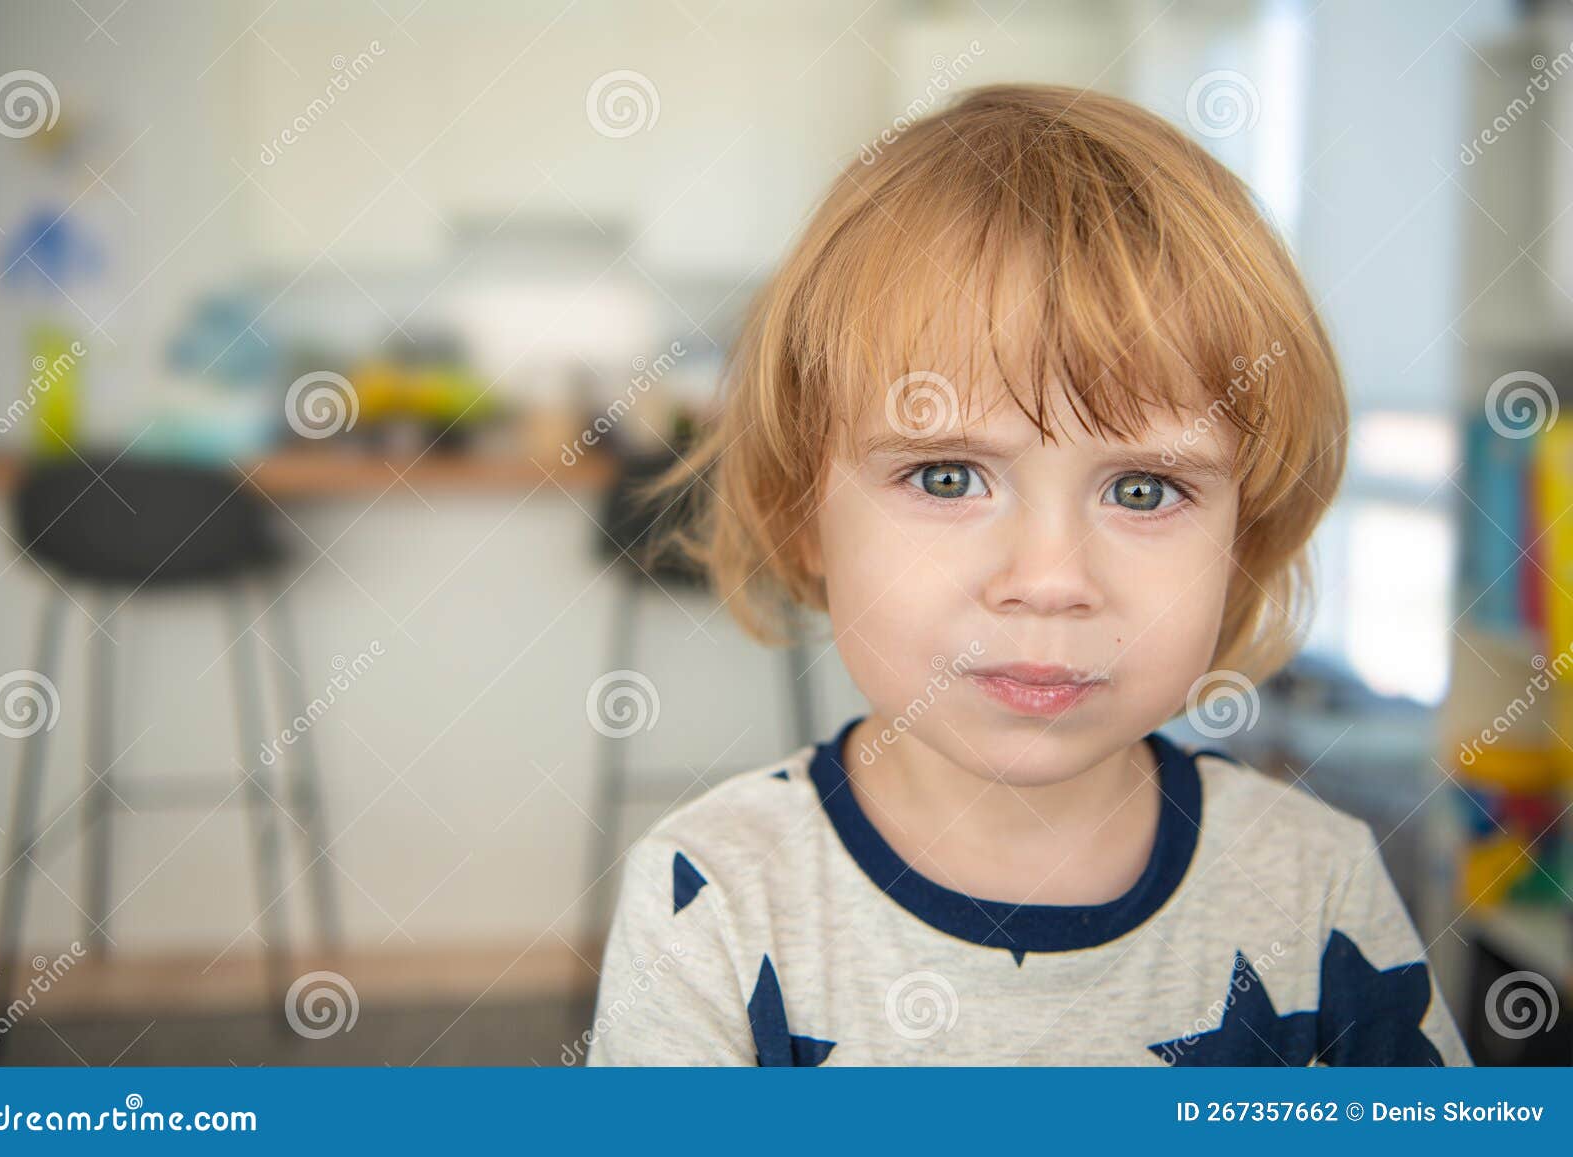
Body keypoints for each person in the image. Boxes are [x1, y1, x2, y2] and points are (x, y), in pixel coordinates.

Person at [581, 84, 1470, 1066]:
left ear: (1241, 545)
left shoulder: (1315, 880)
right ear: (804, 521)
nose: (1049, 580)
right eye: (947, 475)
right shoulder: (710, 893)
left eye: (1141, 490)